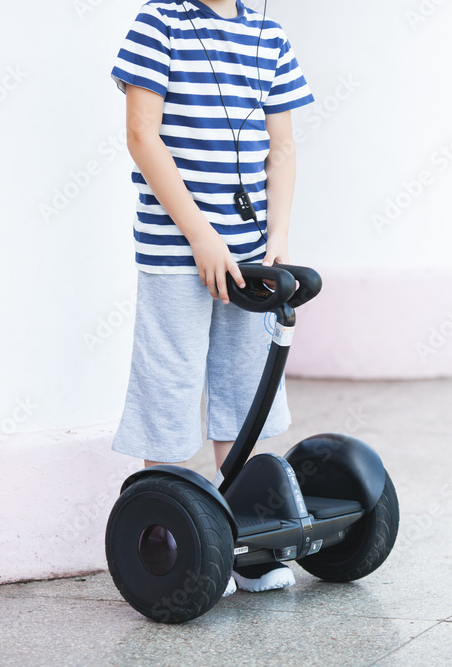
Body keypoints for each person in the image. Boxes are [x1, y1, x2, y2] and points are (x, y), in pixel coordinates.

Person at [108, 0, 315, 596]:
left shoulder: (269, 36)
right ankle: (172, 540)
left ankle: (241, 540)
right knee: (170, 383)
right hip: (177, 249)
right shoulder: (160, 24)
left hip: (251, 254)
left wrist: (276, 237)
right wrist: (201, 236)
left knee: (245, 388)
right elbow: (141, 135)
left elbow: (283, 148)